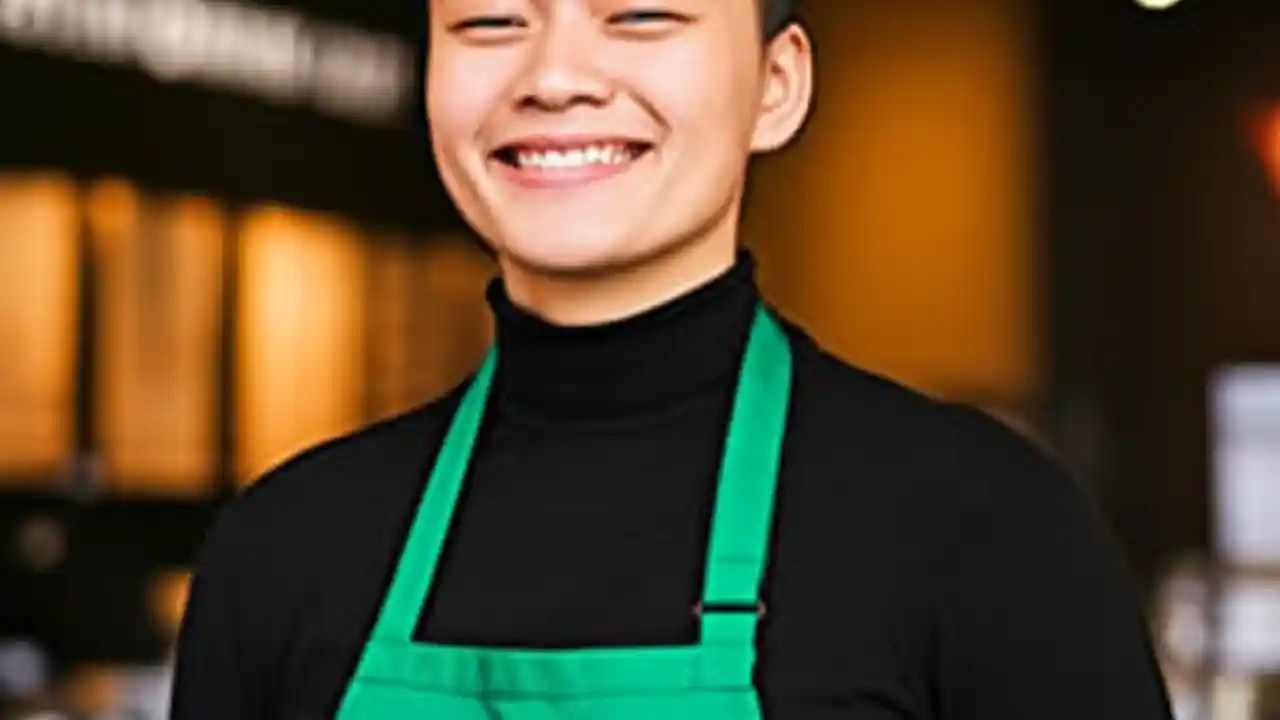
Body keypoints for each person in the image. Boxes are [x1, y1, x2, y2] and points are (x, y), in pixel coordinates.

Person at [170, 0, 1175, 717]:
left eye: (640, 15)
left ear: (775, 85)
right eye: (487, 23)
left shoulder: (985, 528)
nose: (552, 77)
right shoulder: (283, 550)